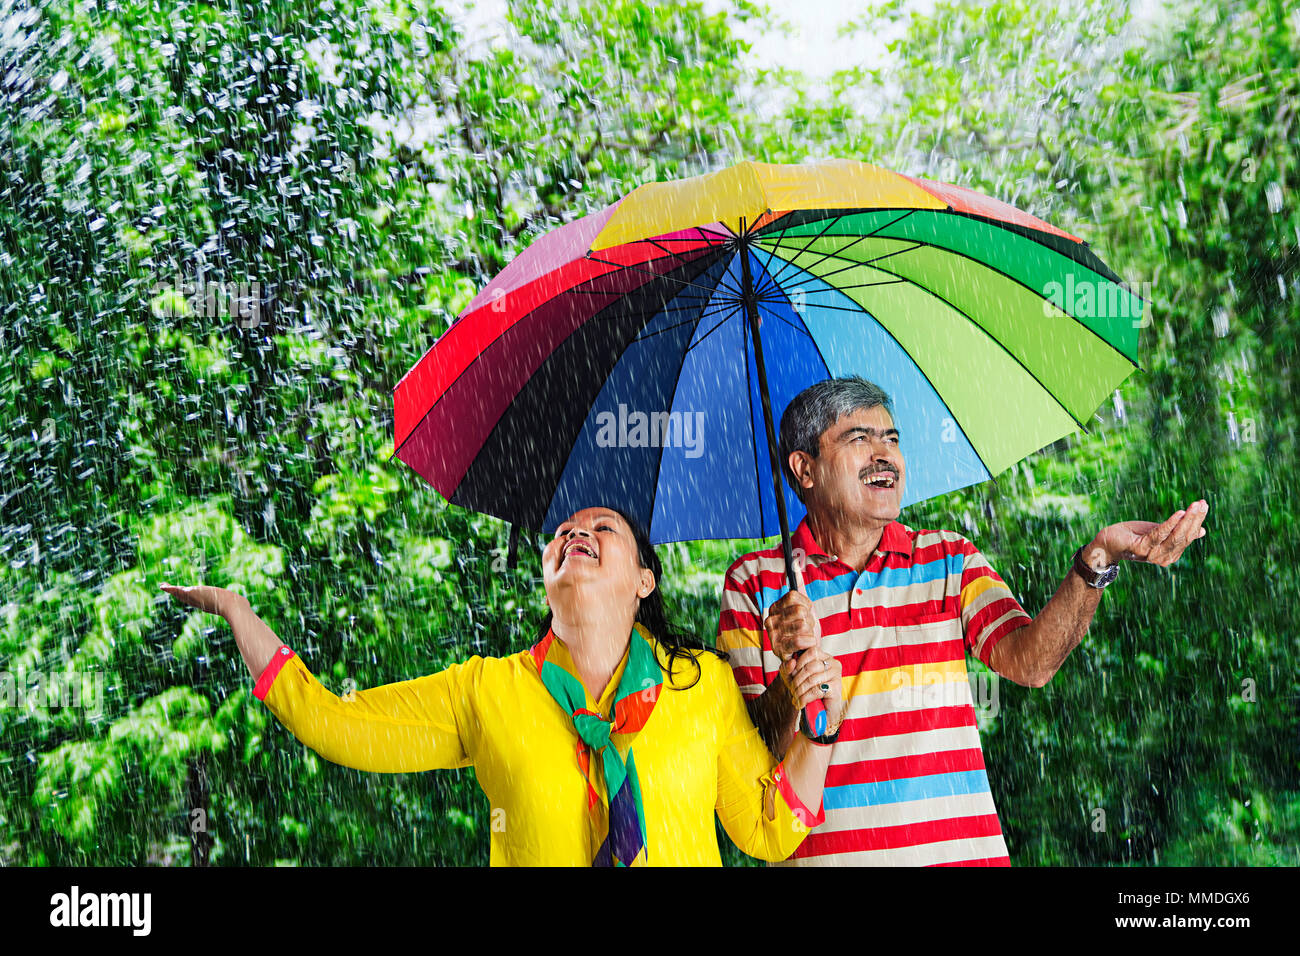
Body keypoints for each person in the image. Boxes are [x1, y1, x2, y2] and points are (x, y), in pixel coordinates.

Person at [163, 505, 844, 866]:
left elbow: (769, 829)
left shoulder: (704, 690)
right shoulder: (487, 691)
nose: (578, 530)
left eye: (603, 527)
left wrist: (819, 728)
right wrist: (238, 612)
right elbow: (337, 726)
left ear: (645, 582)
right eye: (566, 530)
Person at [717, 376, 1209, 866]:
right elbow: (755, 756)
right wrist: (790, 681)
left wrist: (1097, 557)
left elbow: (1031, 663)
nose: (884, 454)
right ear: (805, 469)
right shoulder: (753, 586)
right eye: (859, 438)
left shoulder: (949, 559)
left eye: (892, 438)